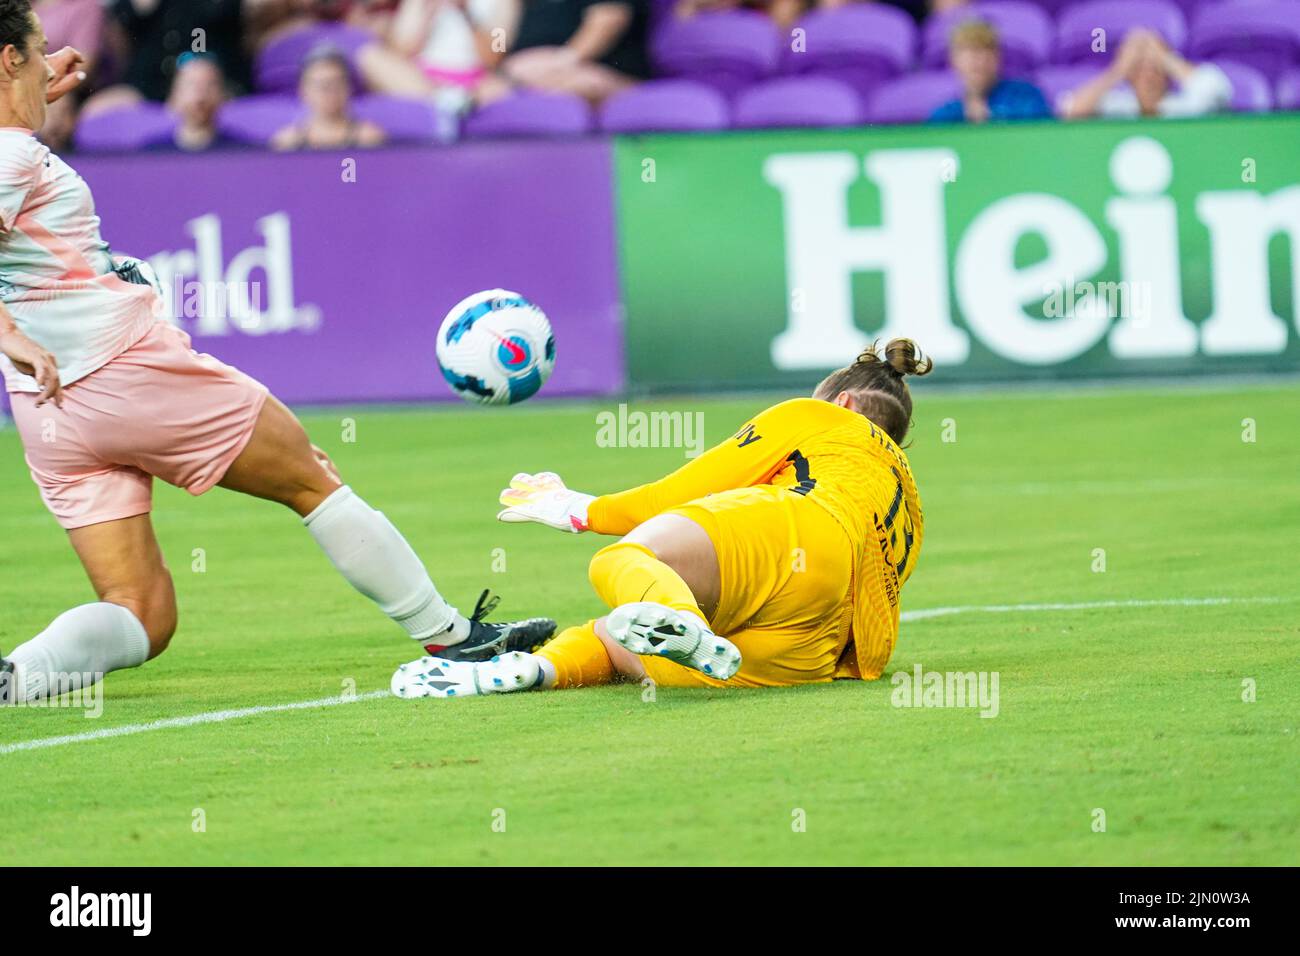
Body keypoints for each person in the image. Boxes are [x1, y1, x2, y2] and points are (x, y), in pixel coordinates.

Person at [0, 0, 552, 705]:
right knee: (310, 477)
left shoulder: (10, 143)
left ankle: (18, 677)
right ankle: (451, 637)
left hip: (48, 413)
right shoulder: (12, 153)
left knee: (142, 612)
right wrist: (10, 333)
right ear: (8, 59)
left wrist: (30, 96)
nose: (53, 62)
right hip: (123, 370)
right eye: (38, 50)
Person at [392, 340, 930, 699]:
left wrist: (580, 510)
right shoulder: (907, 494)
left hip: (806, 527)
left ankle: (684, 622)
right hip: (818, 644)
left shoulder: (823, 417)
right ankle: (531, 670)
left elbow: (680, 494)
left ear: (848, 403)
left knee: (626, 560)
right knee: (615, 640)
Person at [495, 0, 649, 105]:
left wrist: (560, 62)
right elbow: (498, 41)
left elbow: (610, 20)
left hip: (598, 71)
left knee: (581, 86)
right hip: (521, 74)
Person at [1062, 28, 1232, 120]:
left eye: (1154, 66)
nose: (1147, 74)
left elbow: (1216, 92)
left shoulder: (1185, 106)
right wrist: (1118, 70)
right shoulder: (1116, 106)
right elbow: (1073, 110)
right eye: (1138, 66)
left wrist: (1163, 56)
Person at [929, 19, 1050, 123]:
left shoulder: (1026, 96)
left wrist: (993, 118)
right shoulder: (946, 113)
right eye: (972, 54)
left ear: (999, 57)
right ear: (954, 60)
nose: (980, 61)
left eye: (987, 52)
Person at [270, 45, 386, 149]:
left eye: (337, 83)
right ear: (303, 90)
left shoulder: (369, 139)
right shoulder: (288, 142)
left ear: (349, 87)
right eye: (322, 85)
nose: (330, 92)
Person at [147, 52, 243, 151]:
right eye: (191, 85)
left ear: (223, 95)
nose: (200, 95)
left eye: (209, 85)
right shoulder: (153, 153)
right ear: (173, 96)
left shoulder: (240, 151)